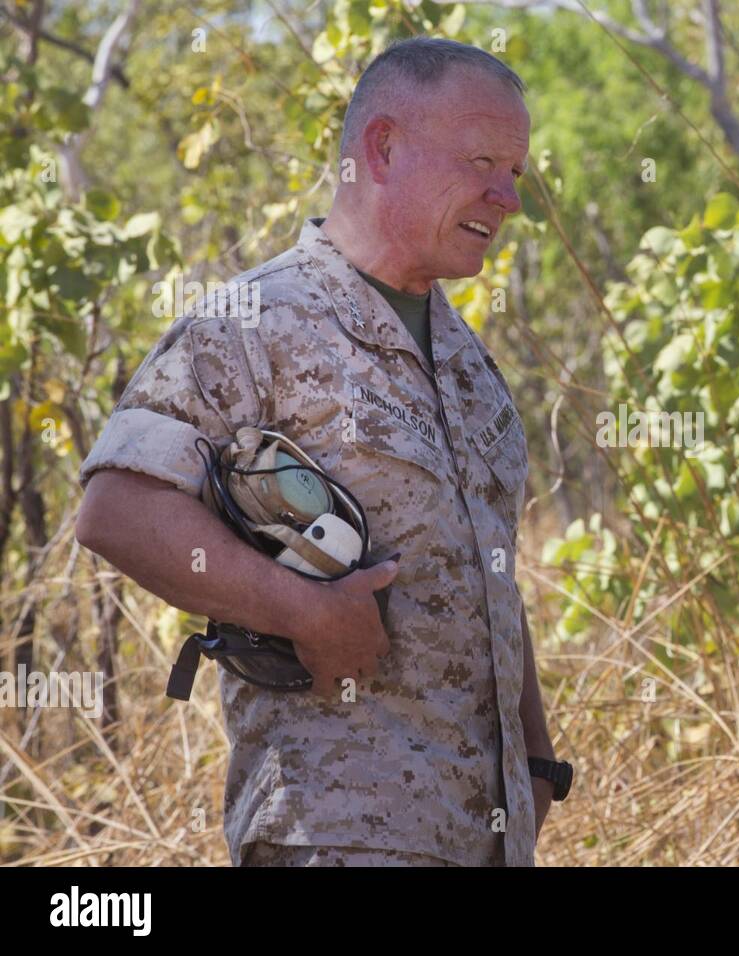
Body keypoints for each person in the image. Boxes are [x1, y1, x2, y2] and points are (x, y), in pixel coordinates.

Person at [76, 37, 568, 867]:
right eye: (484, 161)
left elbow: (489, 571)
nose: (507, 196)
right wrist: (298, 610)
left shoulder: (470, 362)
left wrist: (538, 761)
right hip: (334, 832)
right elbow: (117, 510)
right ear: (381, 149)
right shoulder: (254, 319)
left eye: (516, 172)